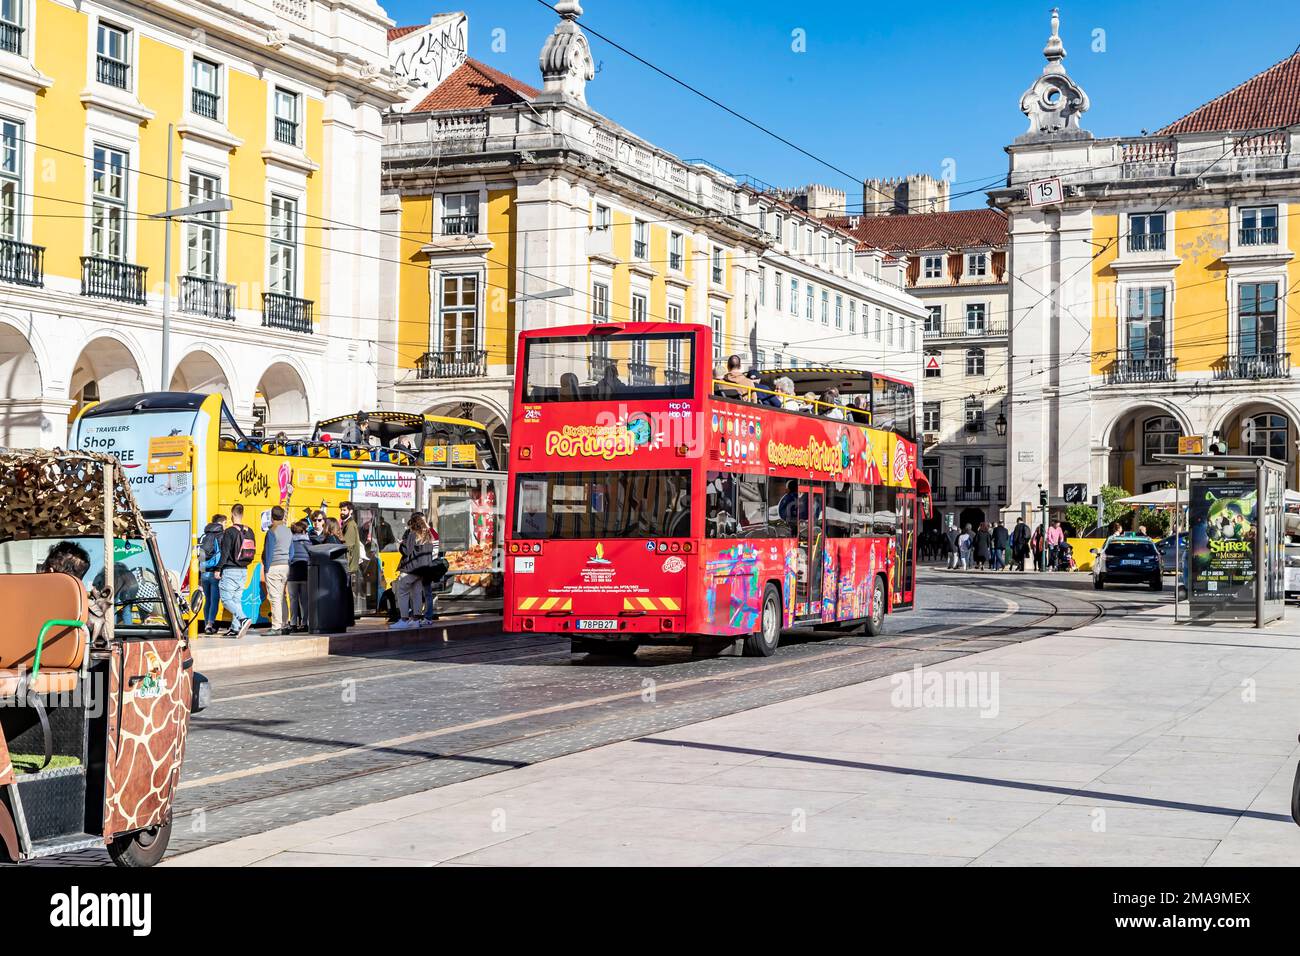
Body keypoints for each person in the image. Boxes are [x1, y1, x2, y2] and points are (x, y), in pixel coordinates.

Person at [393, 513, 439, 628]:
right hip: (422, 571)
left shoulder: (412, 534)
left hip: (410, 569)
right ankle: (416, 619)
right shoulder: (428, 535)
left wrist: (401, 544)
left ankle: (404, 620)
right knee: (417, 594)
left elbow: (407, 551)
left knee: (402, 592)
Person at [217, 504, 255, 639]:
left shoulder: (229, 531)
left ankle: (243, 619)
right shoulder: (249, 530)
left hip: (230, 569)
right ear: (242, 514)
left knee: (226, 599)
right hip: (244, 570)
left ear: (232, 514)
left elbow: (225, 553)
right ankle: (235, 628)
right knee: (236, 600)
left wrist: (218, 569)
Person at [261, 505, 292, 636]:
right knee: (282, 596)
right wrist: (287, 562)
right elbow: (292, 552)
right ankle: (285, 624)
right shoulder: (288, 531)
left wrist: (267, 568)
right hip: (285, 566)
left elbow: (268, 552)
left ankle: (276, 626)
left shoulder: (271, 531)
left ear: (272, 516)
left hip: (273, 566)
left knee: (274, 597)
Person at [196, 515, 226, 634]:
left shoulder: (204, 535)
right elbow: (223, 553)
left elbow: (201, 555)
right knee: (214, 600)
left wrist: (201, 573)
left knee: (207, 599)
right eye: (225, 522)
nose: (226, 525)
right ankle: (210, 624)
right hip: (215, 572)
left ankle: (205, 624)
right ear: (220, 523)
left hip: (204, 572)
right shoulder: (221, 535)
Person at [288, 520, 311, 633]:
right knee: (304, 600)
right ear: (303, 531)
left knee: (293, 600)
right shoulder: (308, 543)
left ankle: (293, 624)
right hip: (305, 575)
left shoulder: (290, 543)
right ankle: (305, 623)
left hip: (292, 575)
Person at [340, 501, 363, 610]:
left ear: (351, 511)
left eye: (344, 510)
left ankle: (347, 613)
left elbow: (347, 545)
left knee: (346, 589)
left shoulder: (350, 525)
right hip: (348, 563)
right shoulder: (347, 523)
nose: (342, 512)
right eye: (341, 510)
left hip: (347, 564)